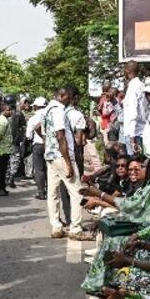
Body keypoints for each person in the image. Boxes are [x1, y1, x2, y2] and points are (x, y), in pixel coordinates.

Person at [43, 85, 87, 240]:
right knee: (76, 192)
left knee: (53, 193)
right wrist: (68, 162)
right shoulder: (58, 111)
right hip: (62, 156)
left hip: (51, 156)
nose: (71, 100)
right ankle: (75, 228)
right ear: (63, 96)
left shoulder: (46, 110)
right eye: (69, 97)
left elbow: (43, 132)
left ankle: (56, 227)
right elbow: (60, 136)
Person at [121, 61, 148, 156]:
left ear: (128, 70)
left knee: (134, 162)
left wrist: (132, 140)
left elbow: (133, 113)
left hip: (134, 134)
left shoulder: (133, 86)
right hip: (140, 132)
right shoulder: (140, 85)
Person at [26, 96, 48, 200]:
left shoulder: (33, 118)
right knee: (49, 169)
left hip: (38, 145)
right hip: (50, 145)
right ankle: (51, 191)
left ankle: (41, 192)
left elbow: (28, 135)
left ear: (36, 106)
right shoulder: (50, 115)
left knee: (39, 169)